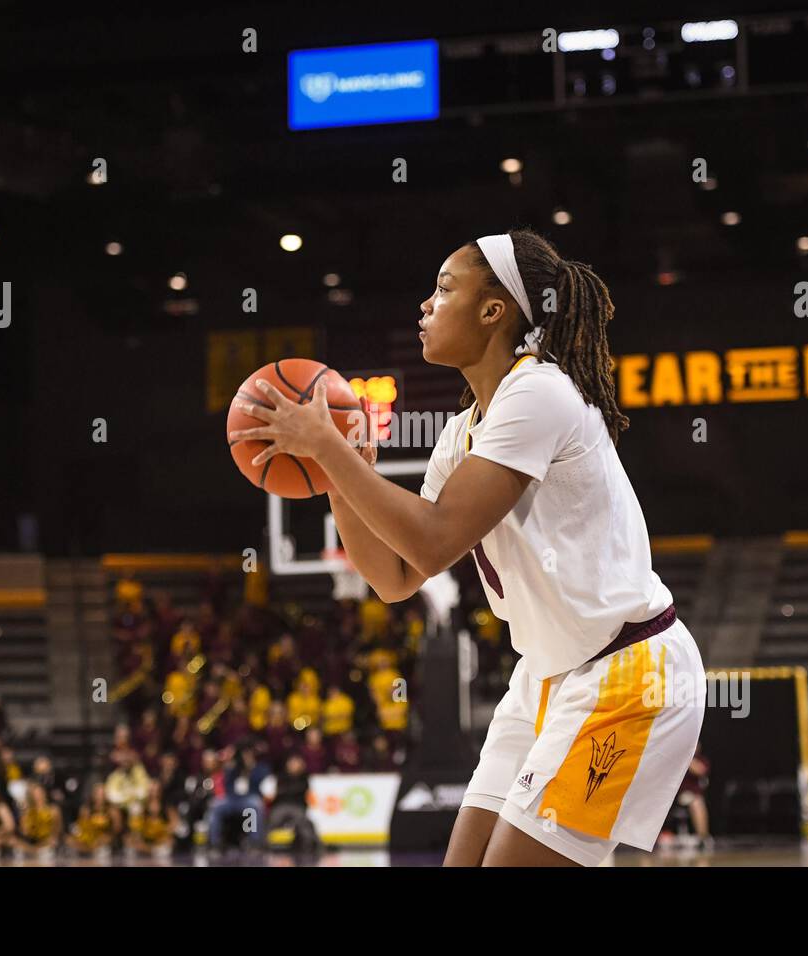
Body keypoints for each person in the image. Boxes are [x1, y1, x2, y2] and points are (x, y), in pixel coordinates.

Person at [229, 229, 706, 866]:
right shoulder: (463, 431)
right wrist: (337, 478)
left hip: (627, 670)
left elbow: (431, 541)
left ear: (494, 310)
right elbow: (396, 576)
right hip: (545, 676)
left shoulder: (538, 392)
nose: (425, 306)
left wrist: (331, 452)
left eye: (444, 289)